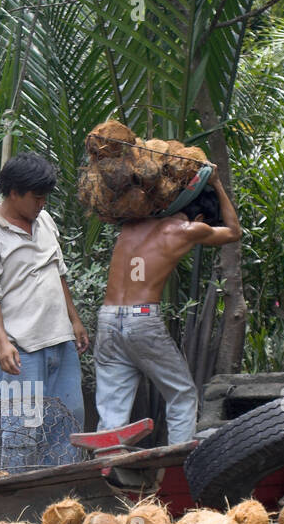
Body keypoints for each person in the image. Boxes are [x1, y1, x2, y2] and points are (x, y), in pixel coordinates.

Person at [95, 161, 241, 445]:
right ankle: (177, 464)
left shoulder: (133, 224)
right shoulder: (186, 229)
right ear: (199, 216)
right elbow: (234, 232)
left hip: (108, 318)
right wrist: (217, 184)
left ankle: (109, 466)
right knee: (182, 394)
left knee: (113, 403)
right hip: (141, 319)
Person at [0, 152, 90, 470]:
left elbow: (58, 273)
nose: (42, 203)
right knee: (23, 429)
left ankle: (61, 499)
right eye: (36, 197)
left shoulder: (44, 221)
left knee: (69, 423)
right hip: (21, 351)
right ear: (14, 193)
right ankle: (19, 508)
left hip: (61, 341)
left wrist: (74, 321)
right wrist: (2, 343)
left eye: (45, 197)